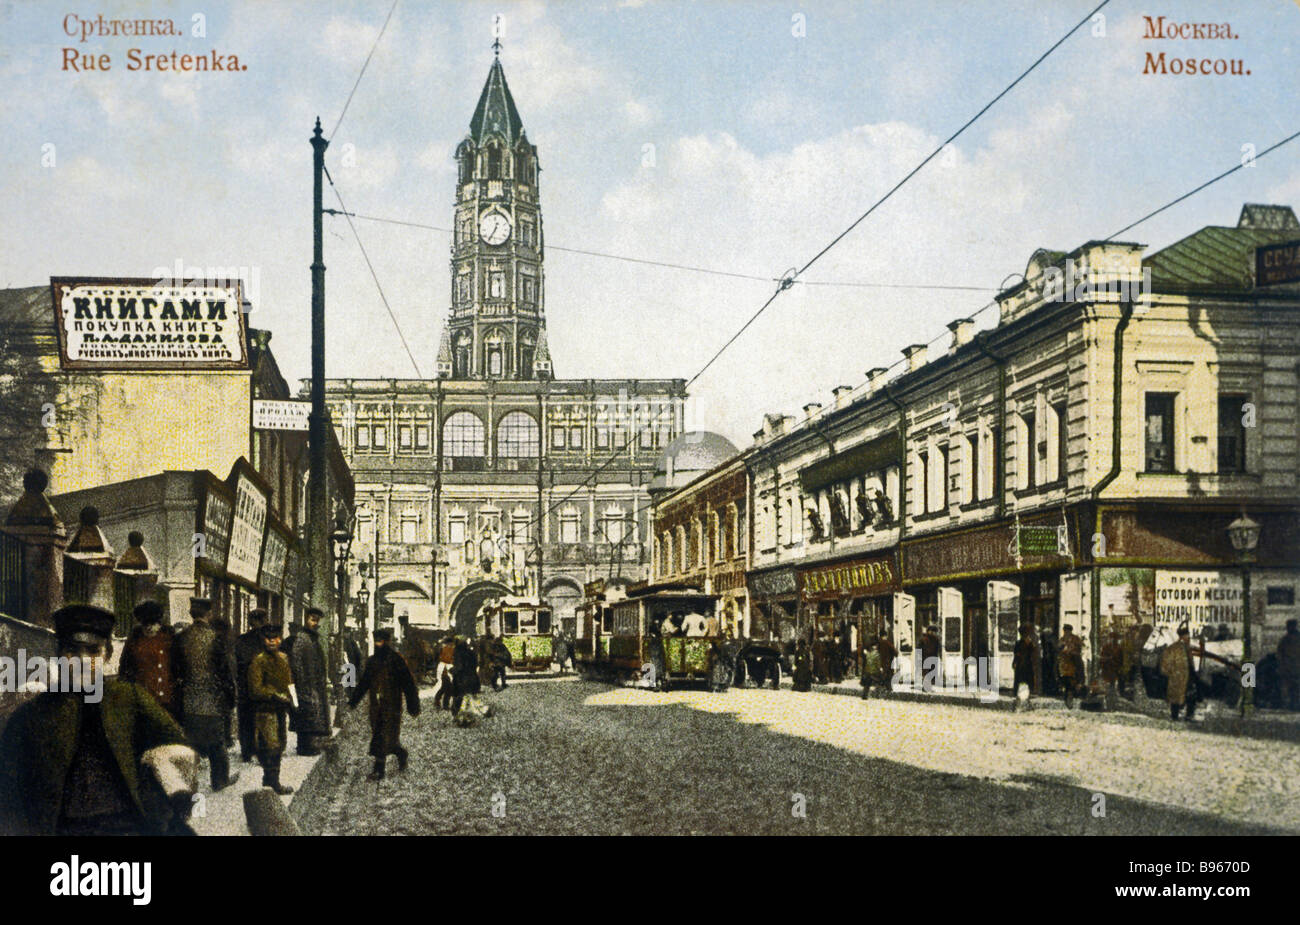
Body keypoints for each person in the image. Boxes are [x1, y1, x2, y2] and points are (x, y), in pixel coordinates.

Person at [0, 604, 197, 835]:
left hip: (128, 826)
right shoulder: (31, 716)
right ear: (59, 654)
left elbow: (176, 746)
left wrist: (161, 790)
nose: (82, 660)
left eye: (93, 651)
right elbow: (8, 797)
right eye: (72, 650)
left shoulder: (129, 698)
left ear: (108, 655)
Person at [172, 597, 239, 791]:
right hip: (212, 699)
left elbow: (176, 669)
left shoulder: (181, 637)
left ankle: (187, 783)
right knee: (217, 743)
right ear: (209, 614)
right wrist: (230, 698)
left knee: (191, 742)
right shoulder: (216, 638)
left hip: (189, 698)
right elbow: (225, 672)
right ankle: (220, 780)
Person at [349, 628, 420, 779]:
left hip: (392, 705)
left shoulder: (396, 660)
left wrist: (413, 704)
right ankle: (400, 753)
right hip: (376, 705)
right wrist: (354, 700)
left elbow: (408, 683)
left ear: (387, 642)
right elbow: (364, 683)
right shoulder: (372, 661)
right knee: (381, 734)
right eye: (376, 641)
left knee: (385, 734)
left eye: (380, 641)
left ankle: (379, 770)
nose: (377, 644)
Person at [247, 623, 295, 794]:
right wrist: (274, 695)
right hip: (265, 710)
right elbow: (255, 689)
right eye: (268, 639)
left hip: (281, 709)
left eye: (275, 638)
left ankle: (272, 781)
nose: (272, 642)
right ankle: (271, 782)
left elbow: (290, 683)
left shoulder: (283, 658)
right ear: (263, 640)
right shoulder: (258, 661)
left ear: (280, 639)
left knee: (281, 744)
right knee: (270, 746)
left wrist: (294, 703)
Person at [118, 600, 179, 720]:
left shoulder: (169, 639)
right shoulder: (134, 640)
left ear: (159, 623)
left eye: (153, 624)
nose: (149, 628)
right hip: (142, 699)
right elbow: (125, 668)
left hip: (166, 699)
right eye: (146, 624)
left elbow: (178, 667)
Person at [284, 608, 331, 756]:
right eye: (312, 619)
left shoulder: (313, 638)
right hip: (305, 685)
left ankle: (309, 744)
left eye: (317, 620)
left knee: (310, 715)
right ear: (306, 619)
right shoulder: (302, 638)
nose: (315, 623)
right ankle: (304, 746)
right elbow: (297, 663)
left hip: (314, 684)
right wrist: (303, 684)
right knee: (305, 715)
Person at [234, 608, 269, 762]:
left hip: (245, 687)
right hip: (263, 687)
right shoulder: (269, 640)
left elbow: (237, 663)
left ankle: (247, 751)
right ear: (263, 620)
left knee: (246, 720)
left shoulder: (241, 640)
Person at [1160, 624, 1197, 721]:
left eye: (1188, 635)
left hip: (1188, 675)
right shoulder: (1174, 648)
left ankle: (1189, 715)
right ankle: (1175, 716)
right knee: (1175, 696)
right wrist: (1170, 672)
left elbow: (1191, 662)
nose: (1188, 637)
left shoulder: (1188, 647)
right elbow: (1166, 662)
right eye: (1187, 635)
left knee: (1191, 695)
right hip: (1177, 676)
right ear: (1182, 636)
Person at [450, 634, 482, 719]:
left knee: (458, 697)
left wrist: (452, 670)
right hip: (472, 677)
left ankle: (459, 716)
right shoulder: (471, 652)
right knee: (470, 697)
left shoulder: (457, 652)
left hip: (461, 679)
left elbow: (459, 667)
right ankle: (472, 714)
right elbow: (476, 664)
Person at [1057, 624, 1084, 709]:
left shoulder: (1075, 639)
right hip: (1065, 664)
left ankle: (1071, 695)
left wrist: (1071, 650)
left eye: (1068, 630)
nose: (1066, 632)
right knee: (1064, 679)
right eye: (1065, 630)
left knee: (1073, 679)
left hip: (1073, 662)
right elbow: (1058, 649)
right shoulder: (1062, 639)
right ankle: (1066, 693)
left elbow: (1079, 648)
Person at [1012, 623, 1040, 704]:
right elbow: (1016, 653)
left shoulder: (1028, 642)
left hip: (1025, 662)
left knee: (1025, 678)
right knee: (1023, 678)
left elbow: (1033, 652)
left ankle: (1026, 692)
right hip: (1024, 662)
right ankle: (1022, 693)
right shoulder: (1022, 642)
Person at [1277, 619, 1300, 711]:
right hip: (1291, 667)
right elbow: (1280, 653)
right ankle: (1294, 704)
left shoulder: (1285, 639)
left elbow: (1280, 653)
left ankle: (1293, 704)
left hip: (1291, 667)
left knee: (1293, 688)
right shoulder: (1285, 639)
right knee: (1293, 688)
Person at [1100, 631, 1124, 711]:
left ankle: (1113, 705)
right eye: (1112, 638)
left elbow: (1121, 660)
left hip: (1115, 671)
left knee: (1113, 689)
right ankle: (1107, 705)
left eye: (1115, 639)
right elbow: (1102, 658)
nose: (1113, 640)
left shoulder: (1119, 648)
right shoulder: (1106, 647)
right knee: (1107, 688)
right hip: (1107, 670)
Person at [433, 636, 456, 710]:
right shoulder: (448, 649)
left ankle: (439, 702)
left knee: (445, 687)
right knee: (447, 688)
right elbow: (447, 659)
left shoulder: (443, 648)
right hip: (445, 669)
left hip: (444, 668)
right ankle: (442, 703)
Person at [919, 624, 941, 691]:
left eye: (934, 632)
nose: (933, 633)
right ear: (928, 631)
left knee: (931, 673)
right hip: (925, 658)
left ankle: (928, 687)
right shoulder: (923, 639)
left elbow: (938, 649)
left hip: (933, 658)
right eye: (932, 631)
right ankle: (925, 687)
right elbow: (919, 649)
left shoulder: (936, 639)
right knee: (926, 673)